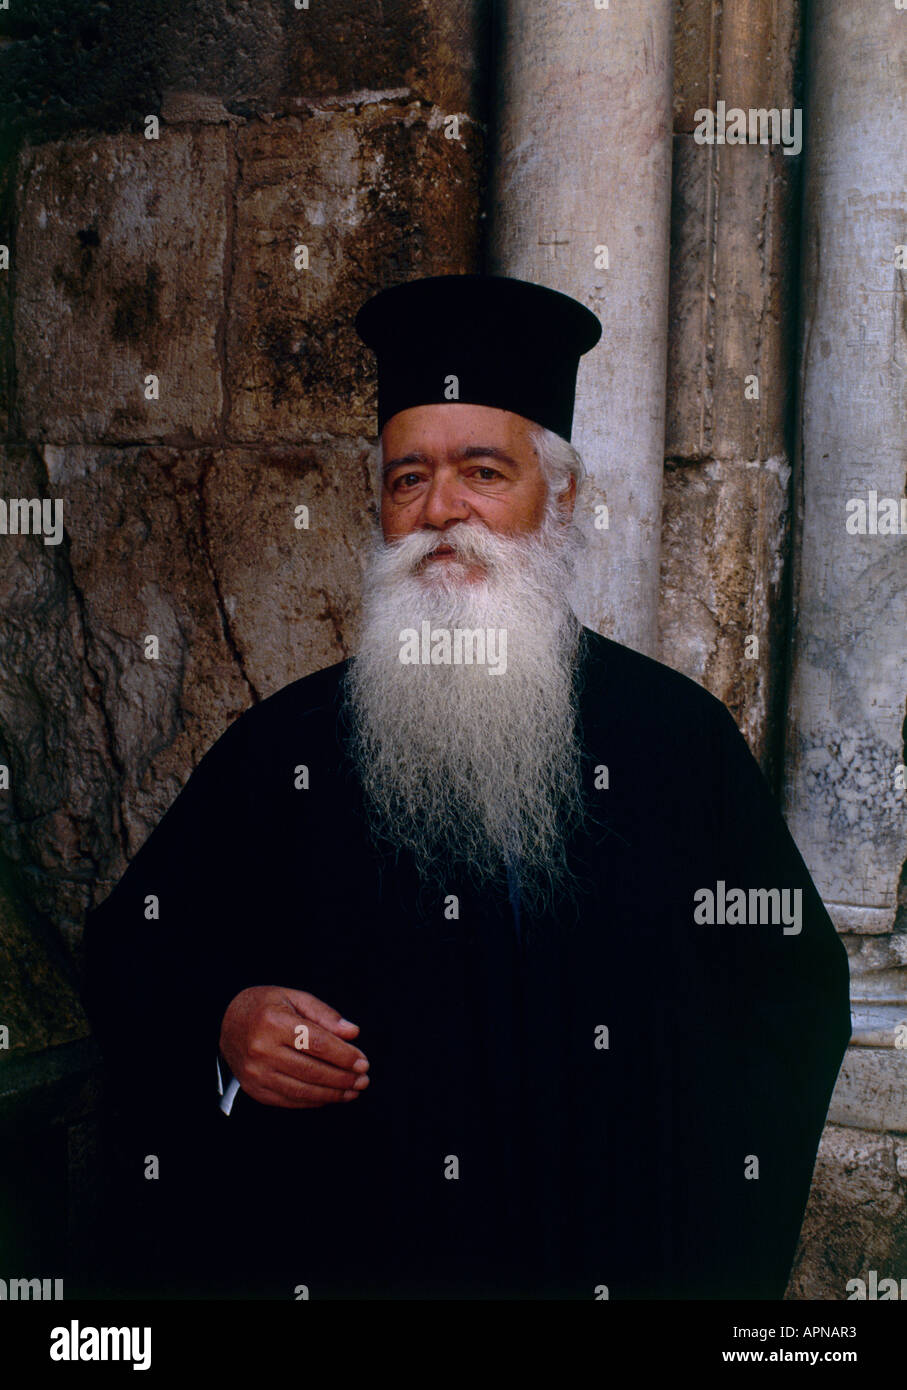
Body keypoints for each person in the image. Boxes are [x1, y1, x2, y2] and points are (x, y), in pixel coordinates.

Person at [82, 274, 851, 1301]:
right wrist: (224, 1020)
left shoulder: (677, 743)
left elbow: (790, 1001)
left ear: (560, 496)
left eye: (482, 471)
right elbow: (134, 942)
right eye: (408, 479)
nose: (441, 509)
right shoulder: (287, 746)